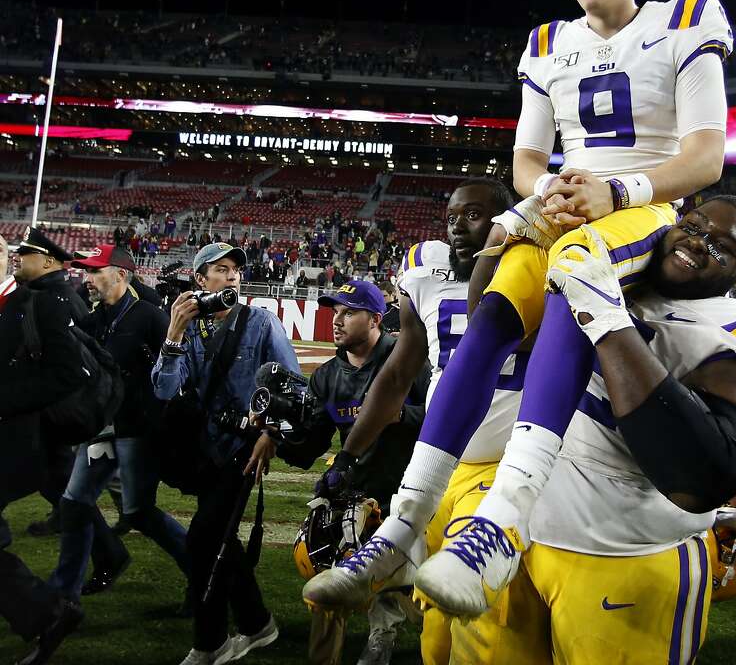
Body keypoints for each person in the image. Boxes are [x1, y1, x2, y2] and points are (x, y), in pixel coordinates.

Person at [305, 0, 734, 617]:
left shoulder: (684, 19)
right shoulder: (548, 43)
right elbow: (528, 158)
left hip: (644, 204)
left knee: (576, 271)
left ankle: (499, 524)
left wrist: (612, 190)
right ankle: (407, 526)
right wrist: (551, 192)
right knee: (492, 320)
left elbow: (705, 156)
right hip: (568, 205)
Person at [447, 196, 736, 664]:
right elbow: (496, 329)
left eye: (721, 248)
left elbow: (708, 475)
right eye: (695, 227)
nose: (698, 245)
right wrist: (514, 235)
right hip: (522, 541)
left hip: (629, 557)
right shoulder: (618, 274)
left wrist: (607, 320)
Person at [305, 179, 528, 665]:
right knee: (436, 626)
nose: (457, 227)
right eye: (451, 217)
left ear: (504, 218)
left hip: (506, 460)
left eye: (473, 215)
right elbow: (398, 373)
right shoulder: (422, 271)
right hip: (443, 461)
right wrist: (348, 454)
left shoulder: (534, 266)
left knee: (482, 621)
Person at [152, 242, 301, 664]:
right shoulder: (188, 327)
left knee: (202, 540)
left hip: (243, 449)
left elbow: (292, 386)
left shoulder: (260, 322)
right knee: (220, 539)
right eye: (220, 270)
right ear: (200, 280)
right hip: (202, 452)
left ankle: (210, 641)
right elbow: (164, 389)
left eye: (235, 270)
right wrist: (174, 333)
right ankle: (257, 623)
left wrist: (272, 432)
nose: (232, 276)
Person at [283, 279, 426, 665]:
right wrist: (272, 432)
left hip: (410, 487)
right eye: (336, 312)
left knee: (417, 586)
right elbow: (309, 446)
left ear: (376, 319)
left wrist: (399, 414)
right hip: (354, 489)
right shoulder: (327, 375)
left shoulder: (407, 355)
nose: (338, 320)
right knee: (329, 572)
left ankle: (387, 632)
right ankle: (326, 657)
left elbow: (440, 412)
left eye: (349, 312)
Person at [46, 245, 190, 606]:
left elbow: (179, 371)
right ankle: (63, 596)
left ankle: (203, 574)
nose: (88, 279)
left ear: (121, 275)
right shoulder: (98, 317)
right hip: (103, 429)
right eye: (87, 272)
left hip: (137, 430)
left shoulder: (149, 316)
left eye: (96, 272)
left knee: (140, 511)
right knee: (75, 502)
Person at [0, 228, 88, 664]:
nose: (18, 258)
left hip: (20, 438)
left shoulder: (47, 301)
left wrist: (8, 399)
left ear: (50, 261)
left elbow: (68, 373)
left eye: (24, 253)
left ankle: (49, 612)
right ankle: (48, 612)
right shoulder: (31, 298)